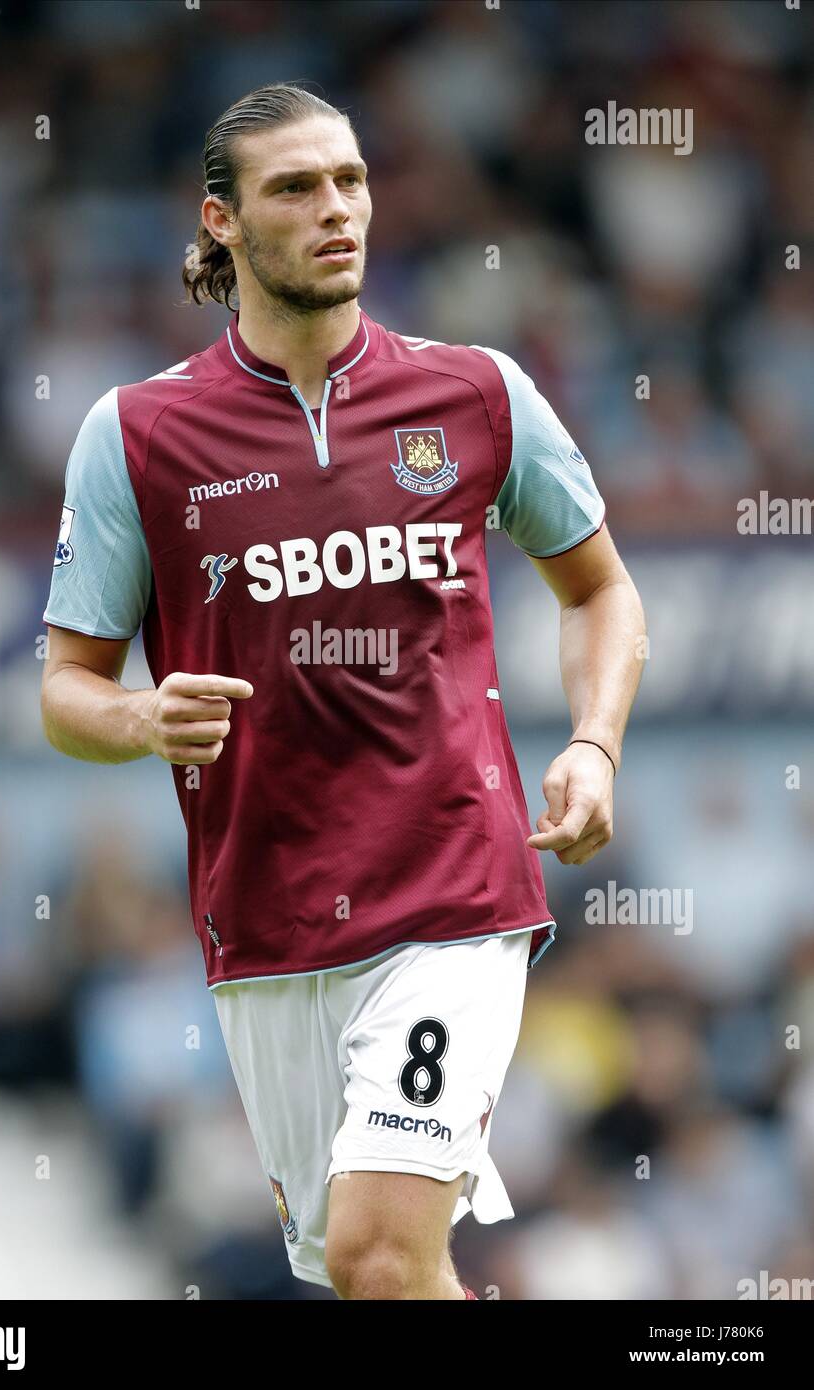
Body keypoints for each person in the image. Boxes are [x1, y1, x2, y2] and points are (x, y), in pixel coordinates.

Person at [40, 82, 645, 1300]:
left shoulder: (474, 393)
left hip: (453, 890)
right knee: (370, 1276)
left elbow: (600, 593)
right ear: (220, 222)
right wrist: (141, 720)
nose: (337, 210)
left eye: (352, 181)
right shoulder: (138, 435)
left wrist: (594, 742)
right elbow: (66, 689)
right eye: (296, 188)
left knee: (378, 1252)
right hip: (263, 924)